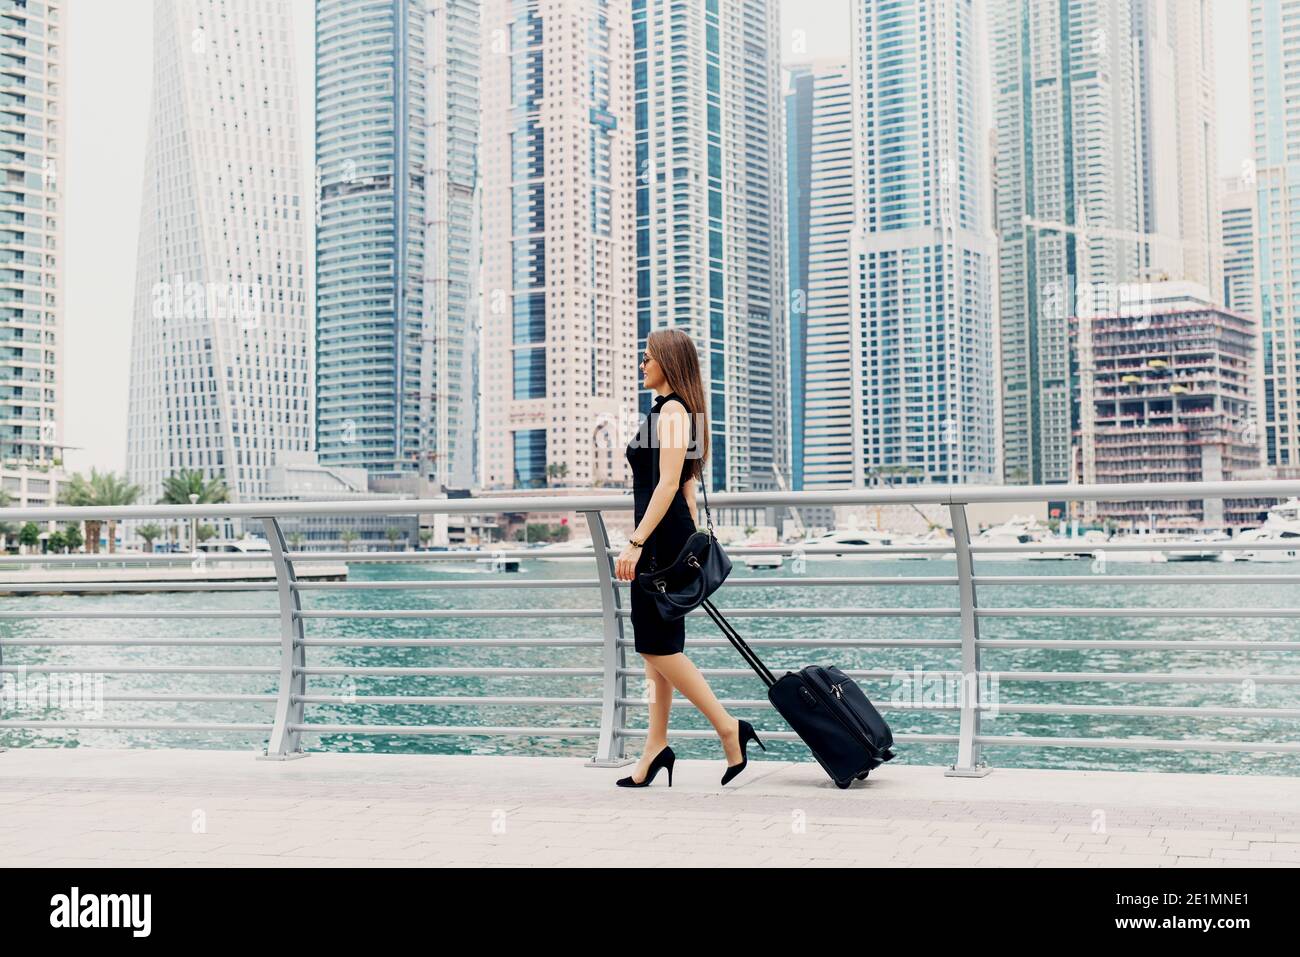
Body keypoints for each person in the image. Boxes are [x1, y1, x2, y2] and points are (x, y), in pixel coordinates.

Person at [612, 327, 764, 788]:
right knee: (657, 654)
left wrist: (637, 542)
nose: (642, 364)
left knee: (655, 647)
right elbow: (686, 487)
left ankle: (727, 727)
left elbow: (667, 484)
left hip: (658, 540)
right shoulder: (667, 411)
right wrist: (685, 540)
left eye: (648, 357)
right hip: (666, 536)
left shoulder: (675, 411)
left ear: (667, 362)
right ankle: (655, 748)